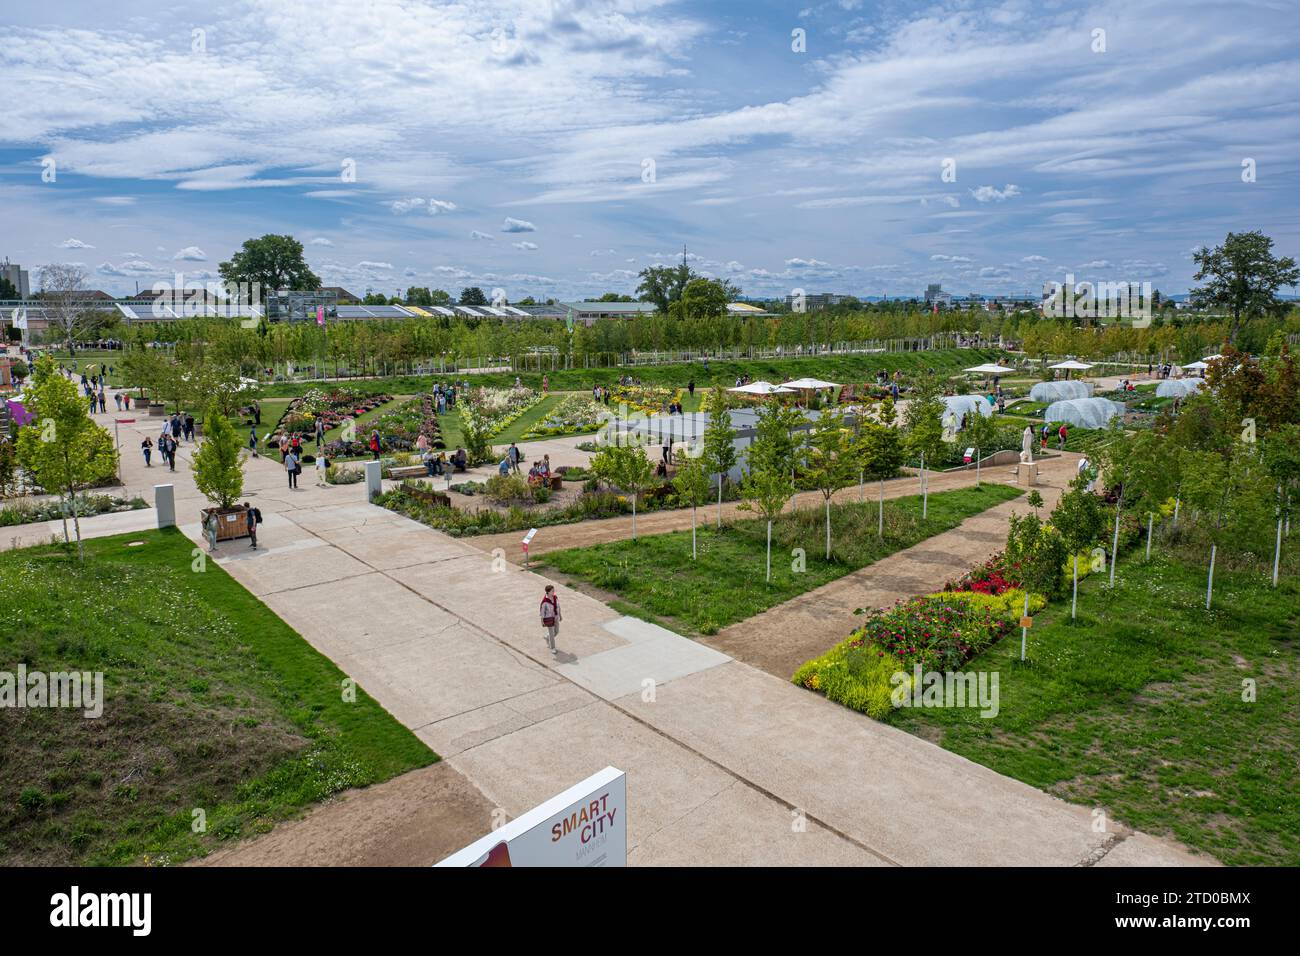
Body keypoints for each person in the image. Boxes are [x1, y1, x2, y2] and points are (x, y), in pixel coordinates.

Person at [540, 584, 562, 657]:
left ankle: (547, 637)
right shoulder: (544, 601)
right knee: (552, 634)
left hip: (556, 617)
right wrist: (542, 621)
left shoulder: (555, 597)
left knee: (557, 631)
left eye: (554, 590)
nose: (554, 592)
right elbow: (542, 612)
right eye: (552, 591)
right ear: (548, 592)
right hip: (549, 618)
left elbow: (558, 607)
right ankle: (552, 648)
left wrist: (560, 615)